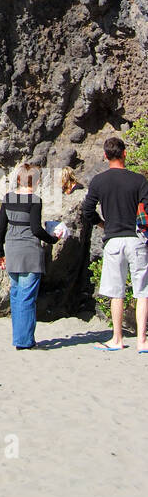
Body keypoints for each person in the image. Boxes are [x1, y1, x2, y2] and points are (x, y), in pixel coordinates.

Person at [82, 135, 148, 353]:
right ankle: (142, 341)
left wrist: (102, 223)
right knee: (142, 291)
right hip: (136, 239)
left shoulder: (99, 181)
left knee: (116, 292)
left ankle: (117, 338)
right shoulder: (138, 180)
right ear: (125, 153)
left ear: (105, 156)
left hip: (113, 239)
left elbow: (87, 210)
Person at [0, 163, 58, 350]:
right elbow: (36, 229)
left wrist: (0, 252)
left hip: (12, 250)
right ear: (36, 181)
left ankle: (19, 338)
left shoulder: (8, 198)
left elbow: (0, 228)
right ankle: (25, 341)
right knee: (27, 297)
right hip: (30, 251)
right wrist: (53, 239)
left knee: (16, 295)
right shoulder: (35, 201)